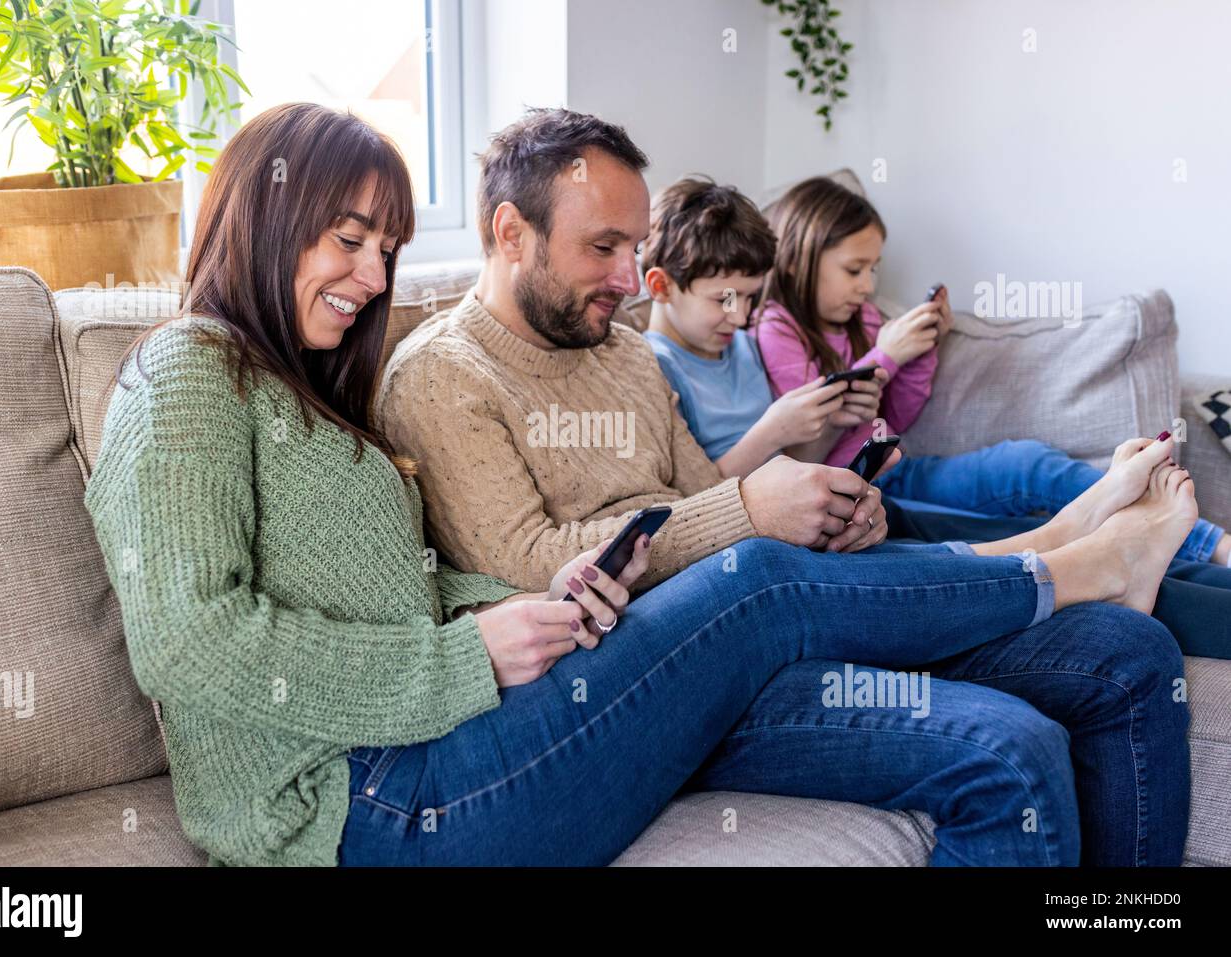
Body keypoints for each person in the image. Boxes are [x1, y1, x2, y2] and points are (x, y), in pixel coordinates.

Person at [375, 107, 1197, 865]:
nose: (629, 278)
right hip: (647, 682)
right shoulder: (442, 377)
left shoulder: (622, 353)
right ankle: (1060, 552)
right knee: (1008, 753)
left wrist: (819, 518)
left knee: (1130, 655)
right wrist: (747, 509)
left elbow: (702, 495)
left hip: (766, 619)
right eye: (604, 248)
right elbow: (529, 563)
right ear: (510, 232)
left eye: (635, 246)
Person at [639, 173, 1231, 659]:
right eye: (727, 299)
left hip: (847, 499)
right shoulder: (658, 365)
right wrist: (786, 426)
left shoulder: (739, 344)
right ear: (660, 286)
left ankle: (1113, 540)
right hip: (791, 533)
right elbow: (699, 501)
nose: (741, 314)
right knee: (1026, 520)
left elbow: (809, 458)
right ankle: (1083, 538)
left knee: (1071, 515)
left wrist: (894, 371)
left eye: (749, 297)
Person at [753, 175, 1230, 568]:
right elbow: (810, 437)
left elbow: (895, 413)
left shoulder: (867, 320)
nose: (868, 285)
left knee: (1026, 463)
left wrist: (923, 352)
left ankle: (1202, 542)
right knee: (1016, 521)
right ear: (799, 260)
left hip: (900, 473)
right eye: (855, 269)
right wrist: (886, 356)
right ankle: (1186, 548)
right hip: (854, 495)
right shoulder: (777, 327)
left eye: (874, 269)